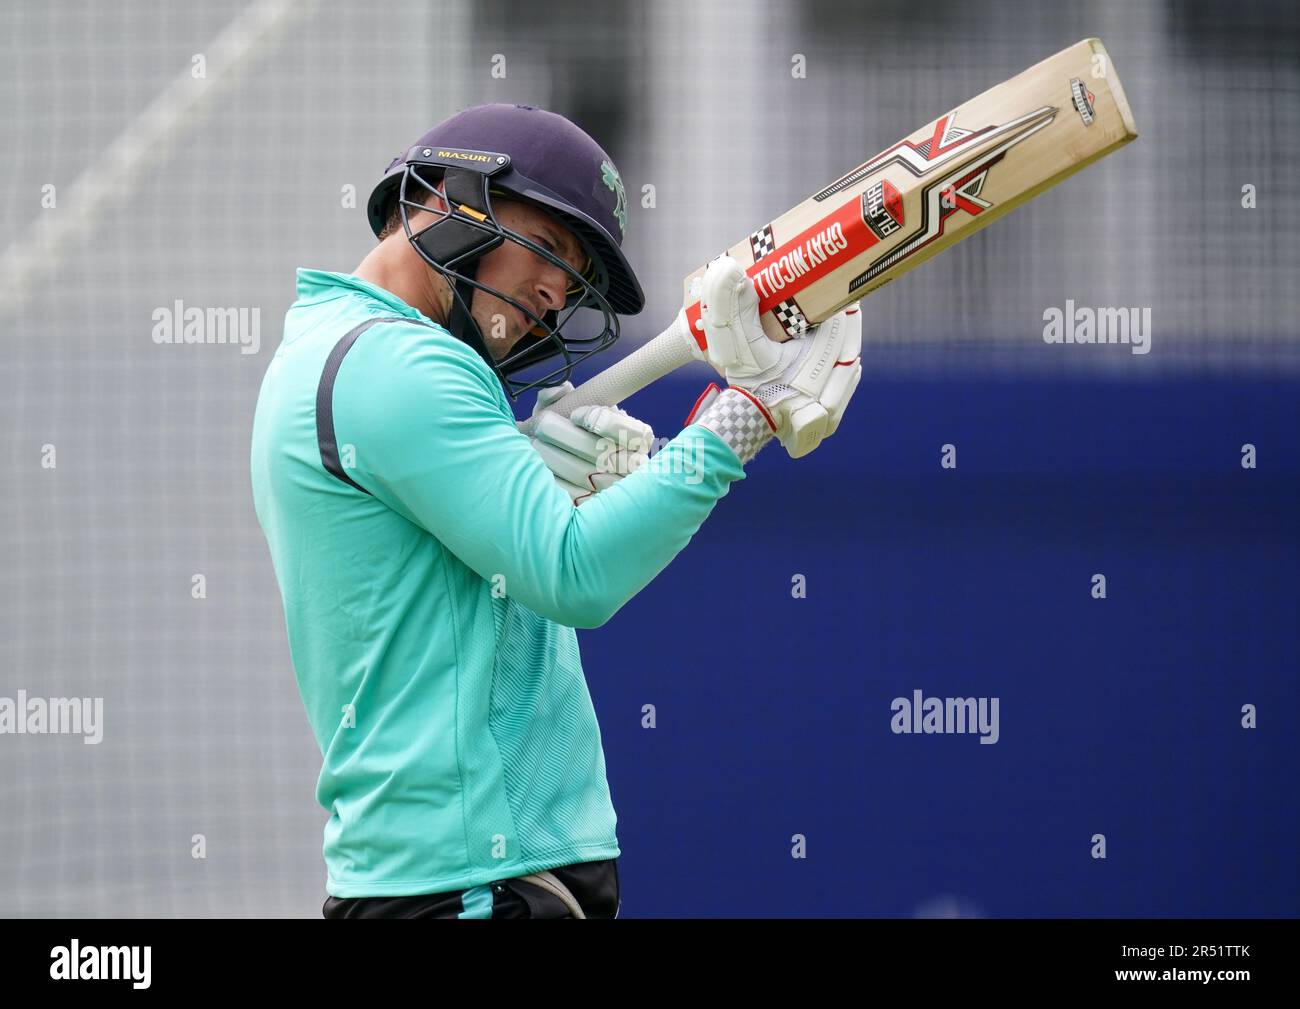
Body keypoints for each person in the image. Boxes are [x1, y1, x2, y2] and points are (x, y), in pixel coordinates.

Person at [249, 103, 863, 918]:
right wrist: (740, 418)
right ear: (448, 199)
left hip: (455, 878)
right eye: (552, 247)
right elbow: (575, 573)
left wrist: (521, 463)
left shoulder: (333, 346)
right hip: (472, 885)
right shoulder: (401, 361)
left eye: (573, 278)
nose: (556, 291)